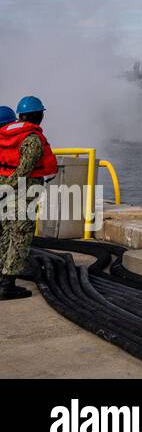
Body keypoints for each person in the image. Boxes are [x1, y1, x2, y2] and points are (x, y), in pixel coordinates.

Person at [1, 96, 58, 300]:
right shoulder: (31, 139)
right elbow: (24, 171)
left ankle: (2, 277)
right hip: (22, 194)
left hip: (6, 194)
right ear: (37, 115)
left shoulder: (6, 135)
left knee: (6, 235)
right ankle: (7, 285)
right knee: (20, 236)